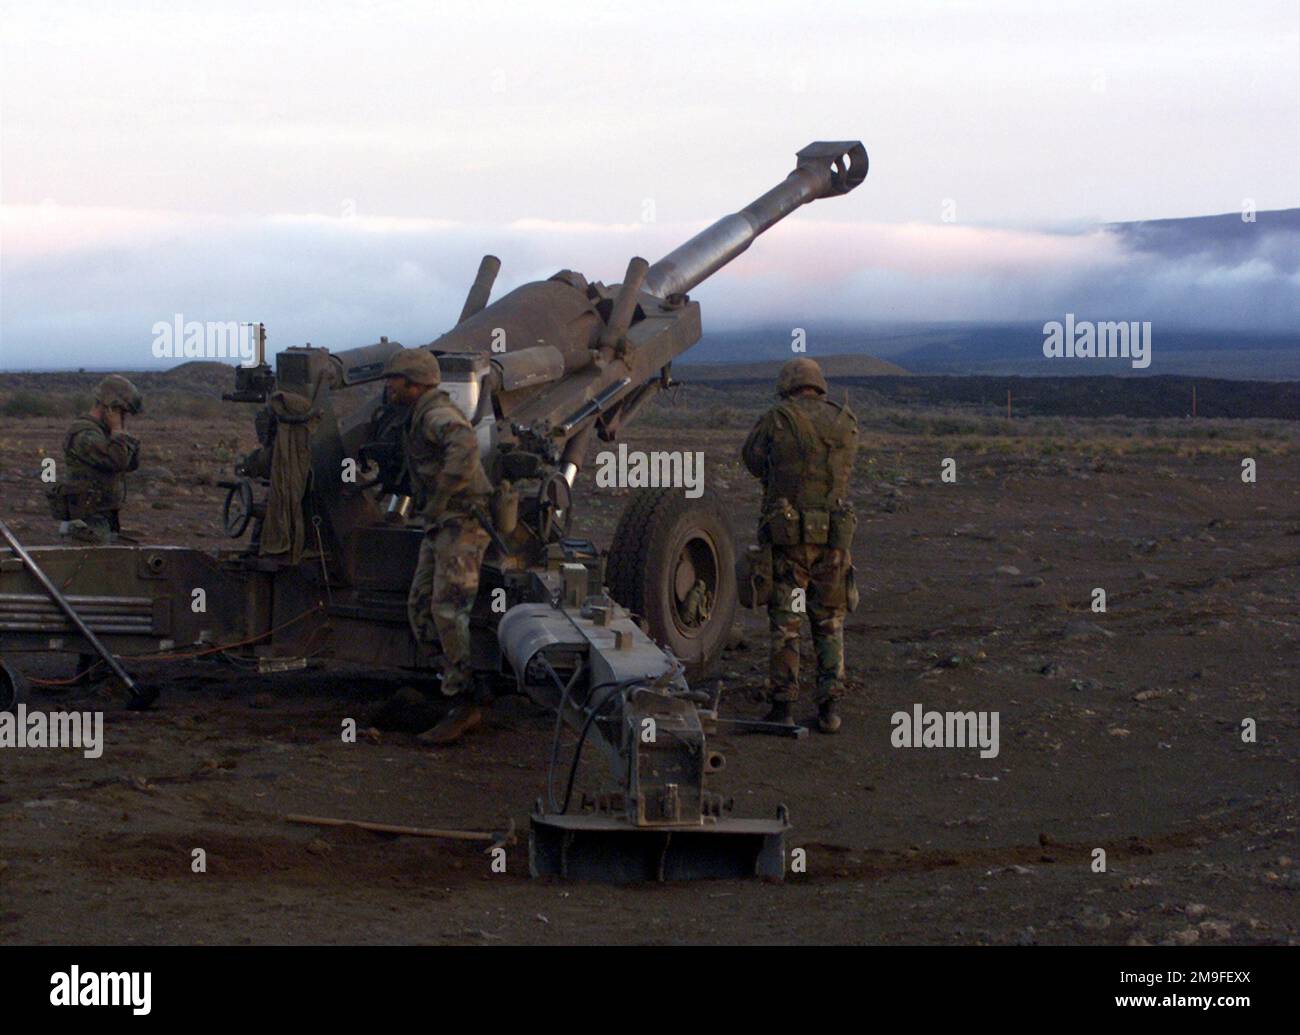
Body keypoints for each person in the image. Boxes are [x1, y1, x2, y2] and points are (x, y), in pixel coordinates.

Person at [741, 357, 859, 733]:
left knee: (788, 621)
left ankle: (784, 706)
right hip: (834, 544)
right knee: (829, 621)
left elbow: (754, 460)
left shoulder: (778, 419)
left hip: (791, 546)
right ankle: (830, 708)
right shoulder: (844, 421)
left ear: (788, 385)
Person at [382, 349, 494, 745]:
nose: (388, 385)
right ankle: (448, 685)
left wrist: (442, 495)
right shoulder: (420, 412)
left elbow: (463, 443)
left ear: (414, 384)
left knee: (448, 610)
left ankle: (464, 703)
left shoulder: (434, 414)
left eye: (394, 379)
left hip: (461, 524)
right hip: (441, 526)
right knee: (420, 605)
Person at [50, 375, 143, 543]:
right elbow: (117, 461)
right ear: (110, 408)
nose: (123, 418)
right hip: (87, 522)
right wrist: (117, 432)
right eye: (121, 412)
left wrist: (121, 435)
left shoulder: (104, 433)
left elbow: (131, 464)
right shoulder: (85, 434)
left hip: (103, 516)